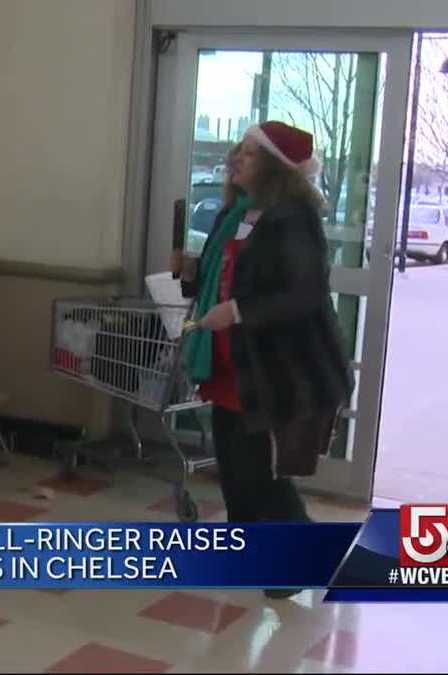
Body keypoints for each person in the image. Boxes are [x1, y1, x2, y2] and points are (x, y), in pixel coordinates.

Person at [174, 121, 355, 600]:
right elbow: (218, 278)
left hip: (272, 370)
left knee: (262, 476)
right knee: (234, 472)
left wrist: (237, 311)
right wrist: (191, 273)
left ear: (275, 168)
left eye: (250, 154)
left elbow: (304, 294)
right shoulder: (234, 213)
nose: (236, 159)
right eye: (239, 151)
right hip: (227, 365)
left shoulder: (293, 218)